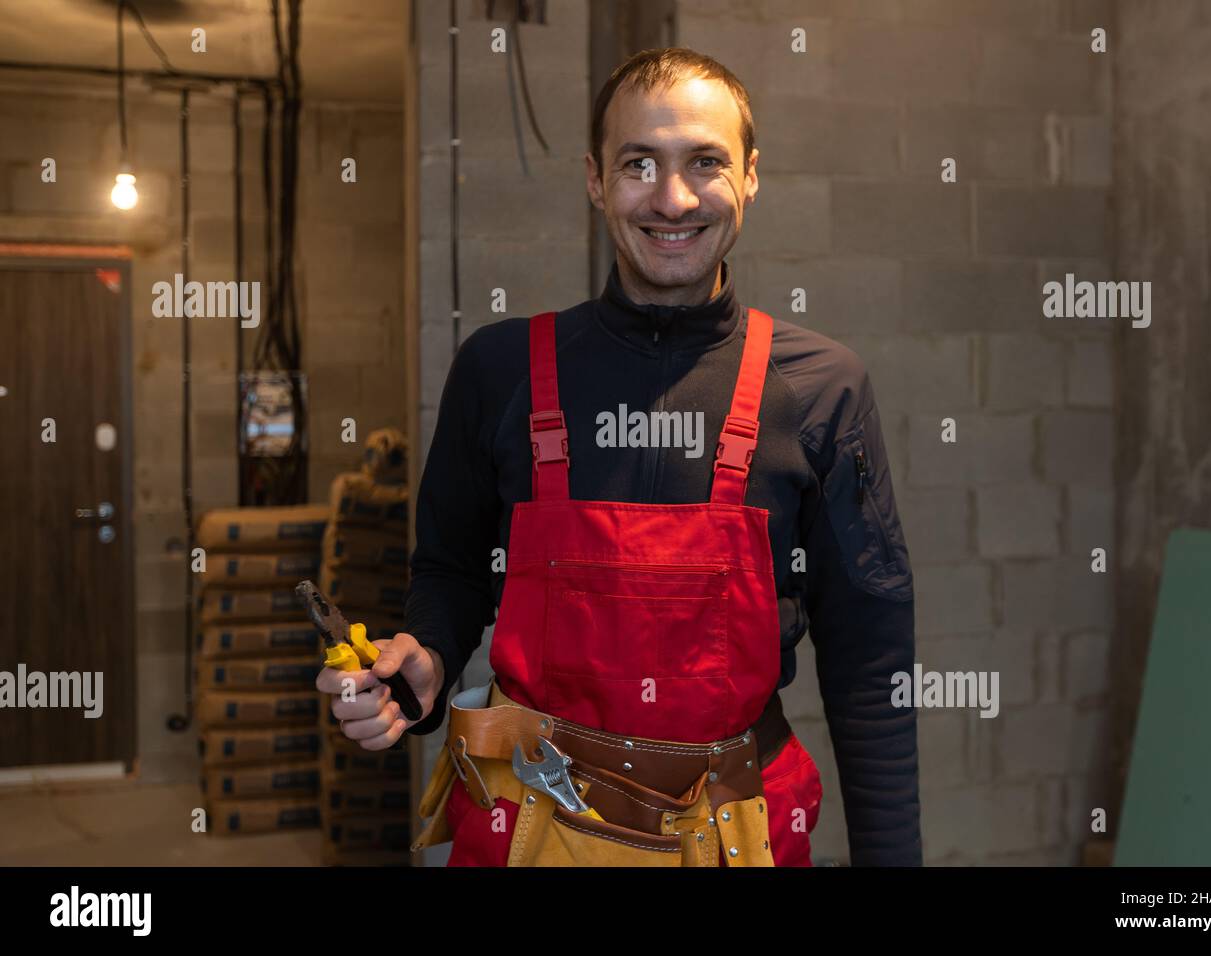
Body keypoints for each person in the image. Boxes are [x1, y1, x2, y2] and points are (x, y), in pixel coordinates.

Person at [316, 46, 921, 867]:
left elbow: (871, 669)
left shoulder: (822, 390)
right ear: (596, 181)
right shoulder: (499, 371)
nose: (672, 198)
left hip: (734, 838)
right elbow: (452, 573)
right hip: (528, 828)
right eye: (639, 163)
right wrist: (422, 661)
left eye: (705, 162)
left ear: (750, 176)